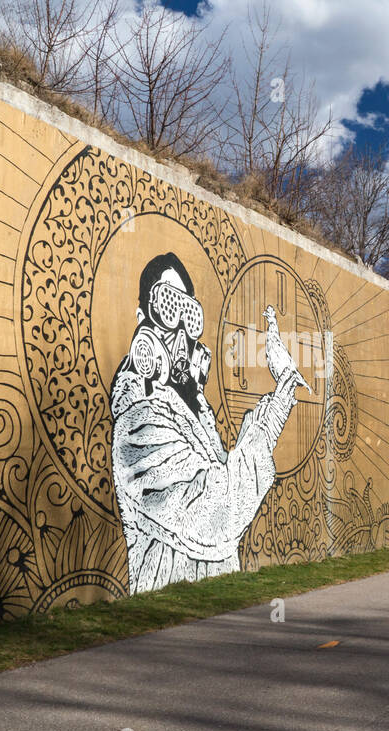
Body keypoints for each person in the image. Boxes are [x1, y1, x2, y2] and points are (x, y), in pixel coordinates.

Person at [110, 253, 301, 593]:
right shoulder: (138, 425)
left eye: (189, 314)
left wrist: (276, 401)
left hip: (213, 622)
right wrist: (272, 415)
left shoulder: (194, 414)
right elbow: (217, 513)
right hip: (166, 629)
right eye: (168, 308)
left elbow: (226, 480)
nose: (181, 334)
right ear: (142, 319)